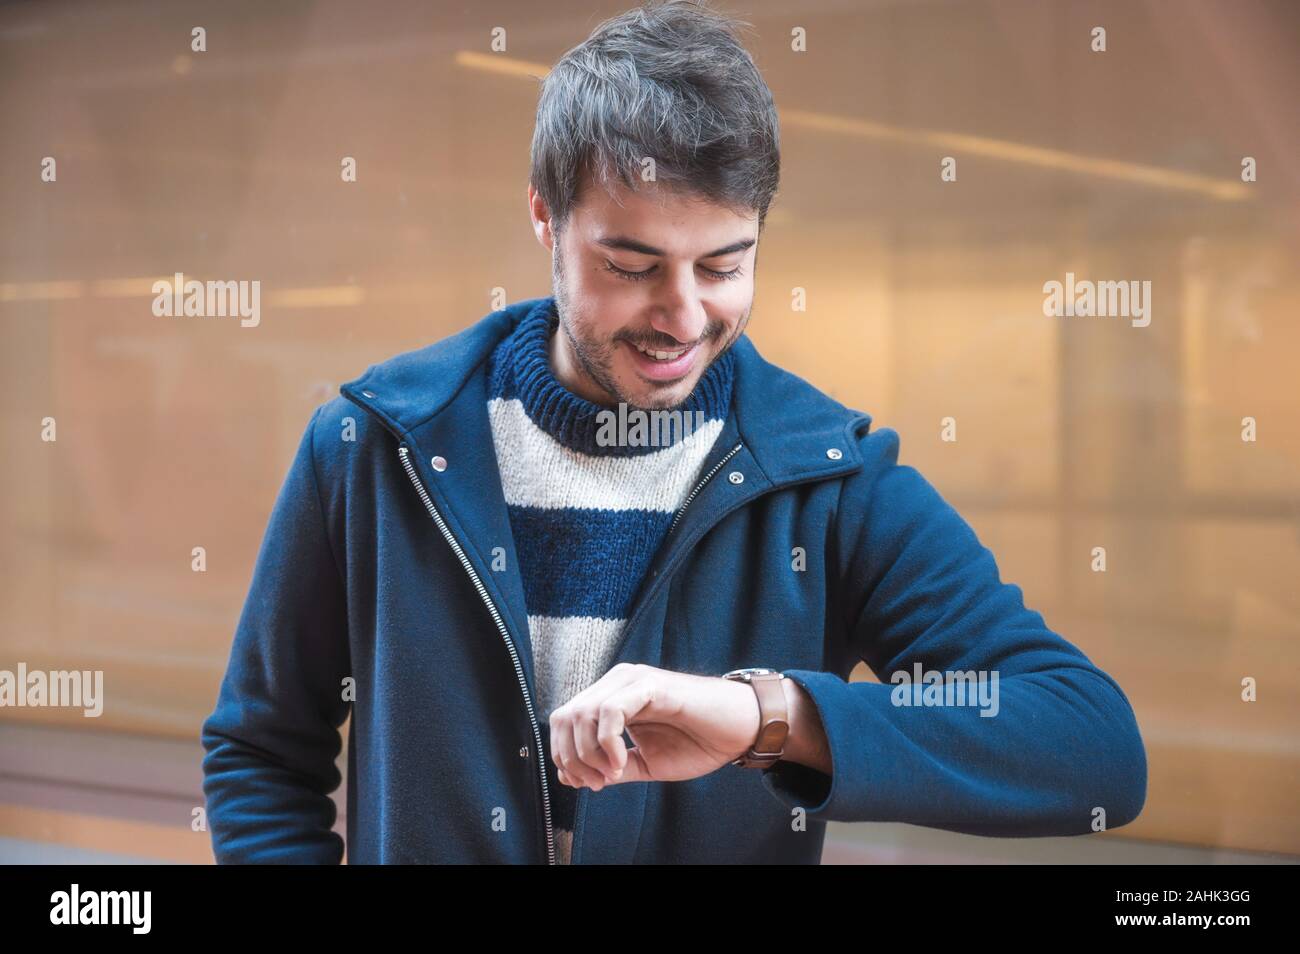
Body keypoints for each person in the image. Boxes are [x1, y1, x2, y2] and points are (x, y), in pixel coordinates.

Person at [201, 0, 1146, 864]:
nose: (682, 317)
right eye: (632, 264)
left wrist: (763, 717)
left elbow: (1089, 744)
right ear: (544, 215)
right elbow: (260, 756)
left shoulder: (827, 483)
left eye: (724, 266)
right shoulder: (372, 448)